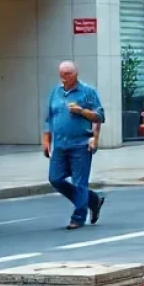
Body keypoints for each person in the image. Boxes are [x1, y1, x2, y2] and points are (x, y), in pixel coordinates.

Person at [42, 61, 106, 230]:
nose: (64, 77)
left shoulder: (87, 92)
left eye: (68, 73)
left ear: (76, 74)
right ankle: (92, 200)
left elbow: (99, 116)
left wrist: (81, 111)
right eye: (62, 74)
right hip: (60, 145)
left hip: (81, 144)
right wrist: (46, 139)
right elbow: (49, 118)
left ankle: (78, 217)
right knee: (55, 178)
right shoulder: (55, 93)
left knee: (79, 183)